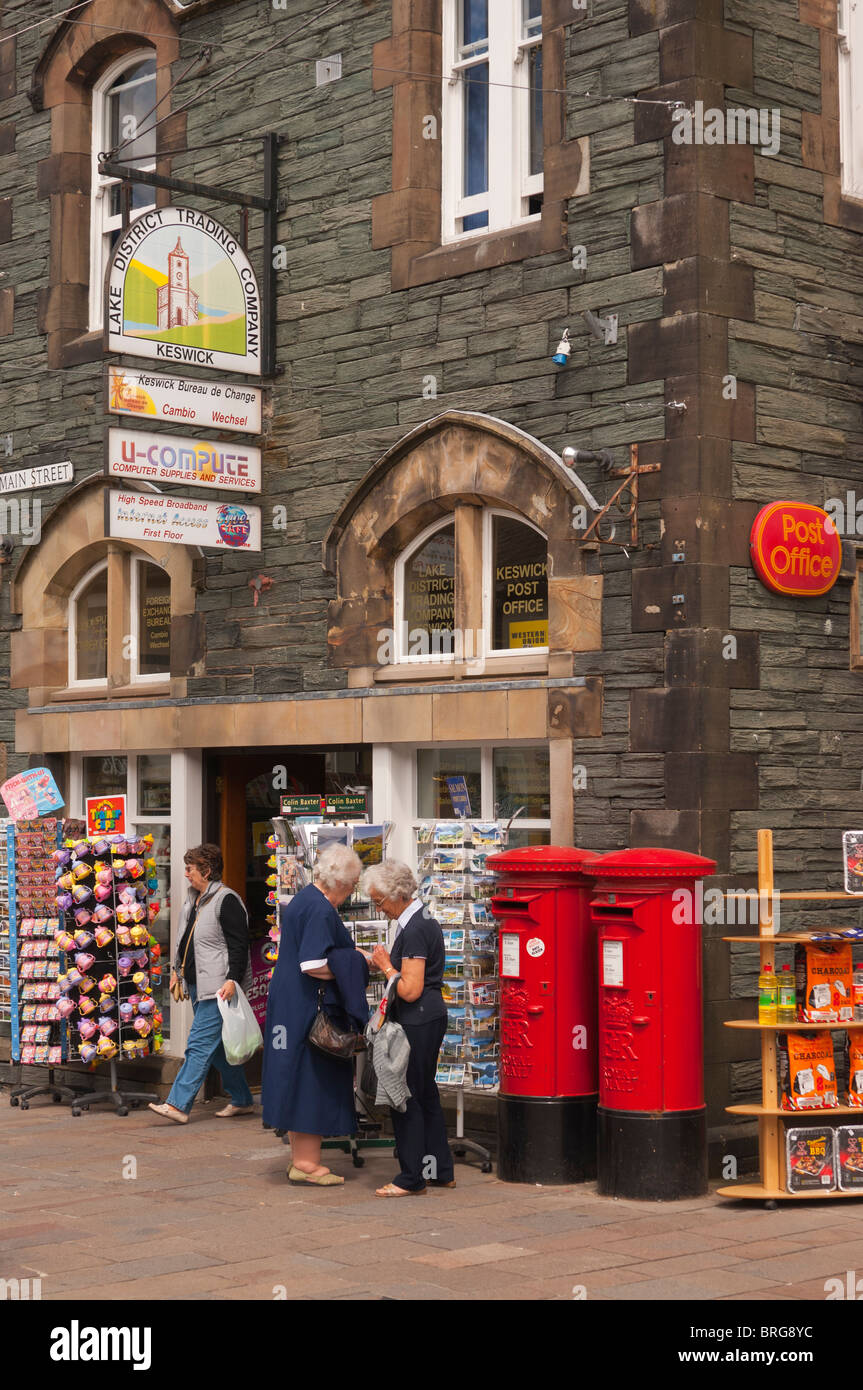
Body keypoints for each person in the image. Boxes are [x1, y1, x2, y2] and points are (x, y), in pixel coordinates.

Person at [262, 844, 370, 1186]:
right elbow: (312, 964)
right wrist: (357, 962)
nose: (351, 892)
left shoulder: (304, 898)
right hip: (308, 1005)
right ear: (340, 881)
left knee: (295, 1076)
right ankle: (307, 1164)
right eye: (352, 885)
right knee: (311, 1077)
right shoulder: (322, 910)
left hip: (290, 1002)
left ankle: (301, 1159)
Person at [361, 861, 455, 1197]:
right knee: (425, 1093)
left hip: (417, 1019)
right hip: (429, 1016)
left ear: (397, 894)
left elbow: (410, 989)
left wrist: (386, 966)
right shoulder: (422, 919)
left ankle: (411, 1177)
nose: (379, 909)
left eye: (380, 901)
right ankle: (438, 1170)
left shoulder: (414, 928)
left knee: (407, 1097)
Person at [149, 843, 254, 1125]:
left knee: (197, 1044)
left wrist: (232, 980)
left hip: (218, 988)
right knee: (217, 1048)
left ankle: (177, 1104)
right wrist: (176, 971)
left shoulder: (226, 900)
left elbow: (238, 946)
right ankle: (243, 1099)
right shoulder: (193, 898)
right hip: (197, 983)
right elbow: (185, 938)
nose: (185, 874)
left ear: (206, 871)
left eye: (190, 869)